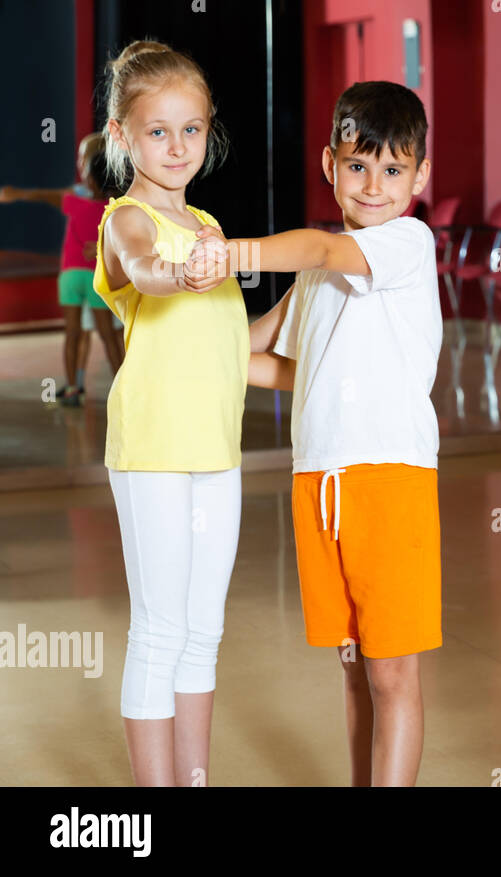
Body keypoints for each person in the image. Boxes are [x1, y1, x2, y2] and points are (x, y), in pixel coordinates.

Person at [188, 81, 442, 787]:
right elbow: (263, 357)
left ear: (420, 176)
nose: (374, 184)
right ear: (330, 165)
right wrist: (179, 330)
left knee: (393, 673)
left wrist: (232, 253)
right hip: (320, 482)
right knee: (355, 668)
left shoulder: (404, 243)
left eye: (394, 170)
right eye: (358, 165)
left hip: (389, 480)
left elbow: (322, 253)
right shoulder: (315, 277)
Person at [92, 40, 244, 786]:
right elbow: (148, 269)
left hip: (217, 452)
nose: (178, 146)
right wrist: (182, 271)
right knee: (160, 628)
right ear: (122, 135)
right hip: (152, 449)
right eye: (158, 131)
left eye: (192, 129)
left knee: (204, 630)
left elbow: (236, 340)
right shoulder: (127, 221)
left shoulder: (212, 226)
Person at [1, 132, 124, 405]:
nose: (80, 164)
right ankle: (74, 386)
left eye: (84, 159)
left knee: (104, 335)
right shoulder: (85, 197)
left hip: (98, 278)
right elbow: (52, 196)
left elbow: (49, 196)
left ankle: (121, 387)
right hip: (89, 277)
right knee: (88, 335)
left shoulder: (112, 203)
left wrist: (19, 194)